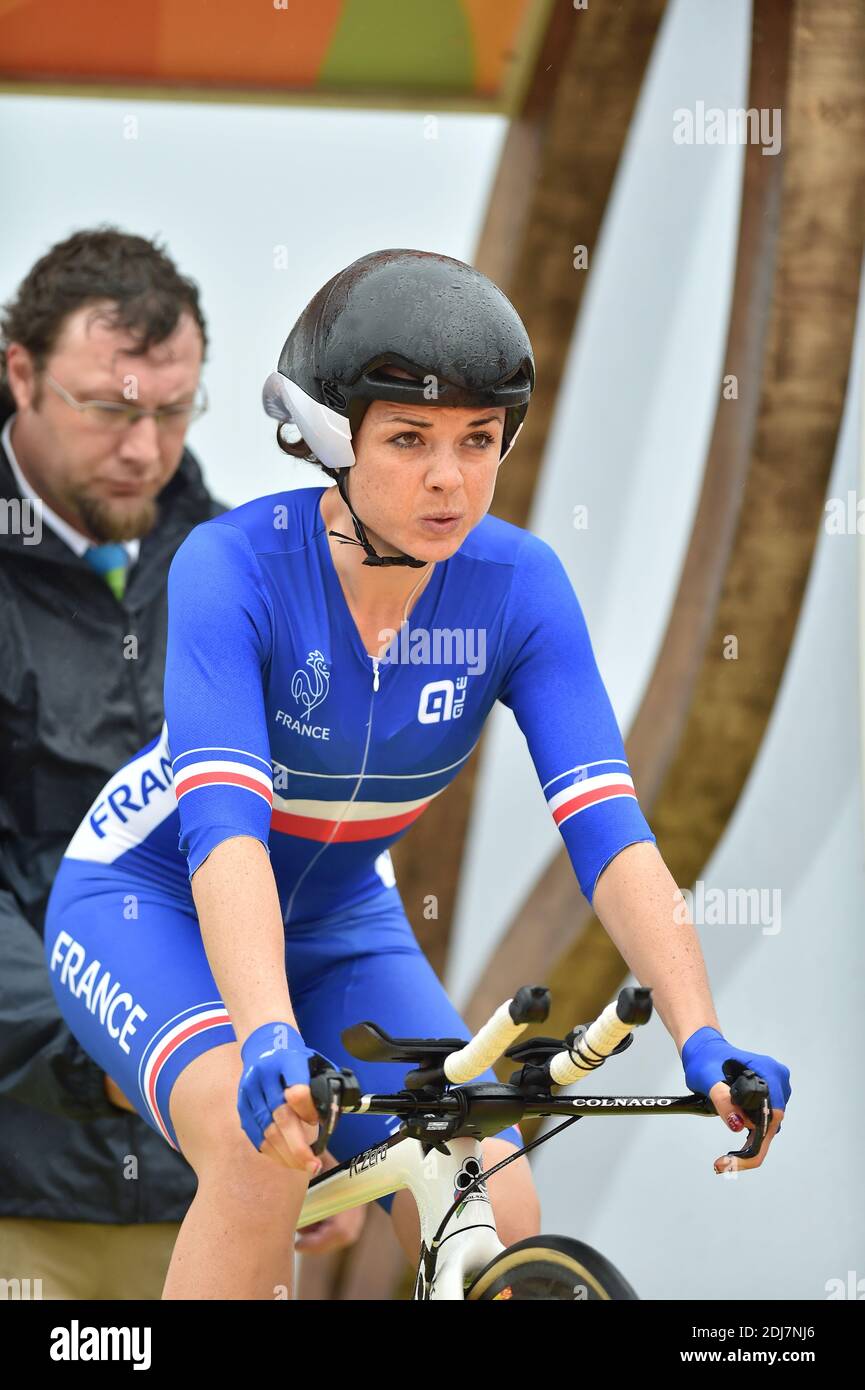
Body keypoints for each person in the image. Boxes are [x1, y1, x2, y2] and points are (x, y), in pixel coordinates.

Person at [42, 248, 791, 1301]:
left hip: (345, 914)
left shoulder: (519, 587)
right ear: (330, 441)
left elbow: (611, 833)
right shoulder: (232, 566)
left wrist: (699, 1030)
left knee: (497, 1191)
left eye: (478, 440)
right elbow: (223, 839)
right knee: (262, 1159)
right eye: (408, 439)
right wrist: (267, 1035)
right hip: (151, 898)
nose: (449, 478)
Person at [0, 226, 221, 1299]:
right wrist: (125, 1049)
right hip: (22, 1200)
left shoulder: (237, 567)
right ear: (22, 374)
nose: (144, 447)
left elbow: (296, 865)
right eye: (108, 409)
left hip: (213, 1187)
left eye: (172, 411)